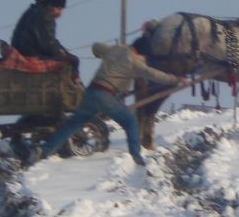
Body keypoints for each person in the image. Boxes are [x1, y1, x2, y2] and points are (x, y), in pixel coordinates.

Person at [32, 37, 188, 166]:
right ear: (141, 53)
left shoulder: (115, 49)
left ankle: (44, 151)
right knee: (130, 122)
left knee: (72, 125)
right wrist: (175, 79)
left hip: (90, 93)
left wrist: (106, 53)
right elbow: (153, 74)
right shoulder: (135, 62)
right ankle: (137, 158)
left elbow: (96, 47)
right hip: (105, 95)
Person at [11, 0, 80, 72]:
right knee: (73, 60)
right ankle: (73, 83)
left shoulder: (32, 11)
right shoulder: (45, 16)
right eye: (58, 8)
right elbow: (48, 43)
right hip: (30, 54)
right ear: (50, 5)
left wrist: (62, 49)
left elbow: (49, 39)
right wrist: (62, 54)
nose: (60, 13)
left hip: (21, 50)